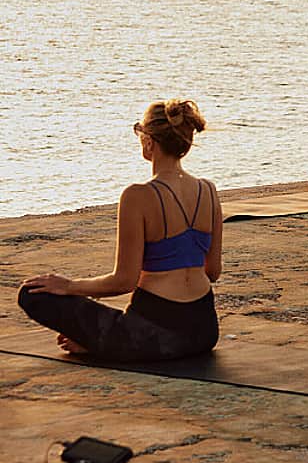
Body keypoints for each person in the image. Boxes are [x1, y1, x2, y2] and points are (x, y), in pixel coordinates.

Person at [17, 100, 222, 361]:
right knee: (119, 325)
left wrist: (69, 286)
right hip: (204, 331)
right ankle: (105, 341)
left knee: (32, 293)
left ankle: (107, 343)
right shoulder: (208, 190)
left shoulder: (138, 196)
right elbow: (213, 272)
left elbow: (123, 281)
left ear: (149, 141)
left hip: (153, 335)